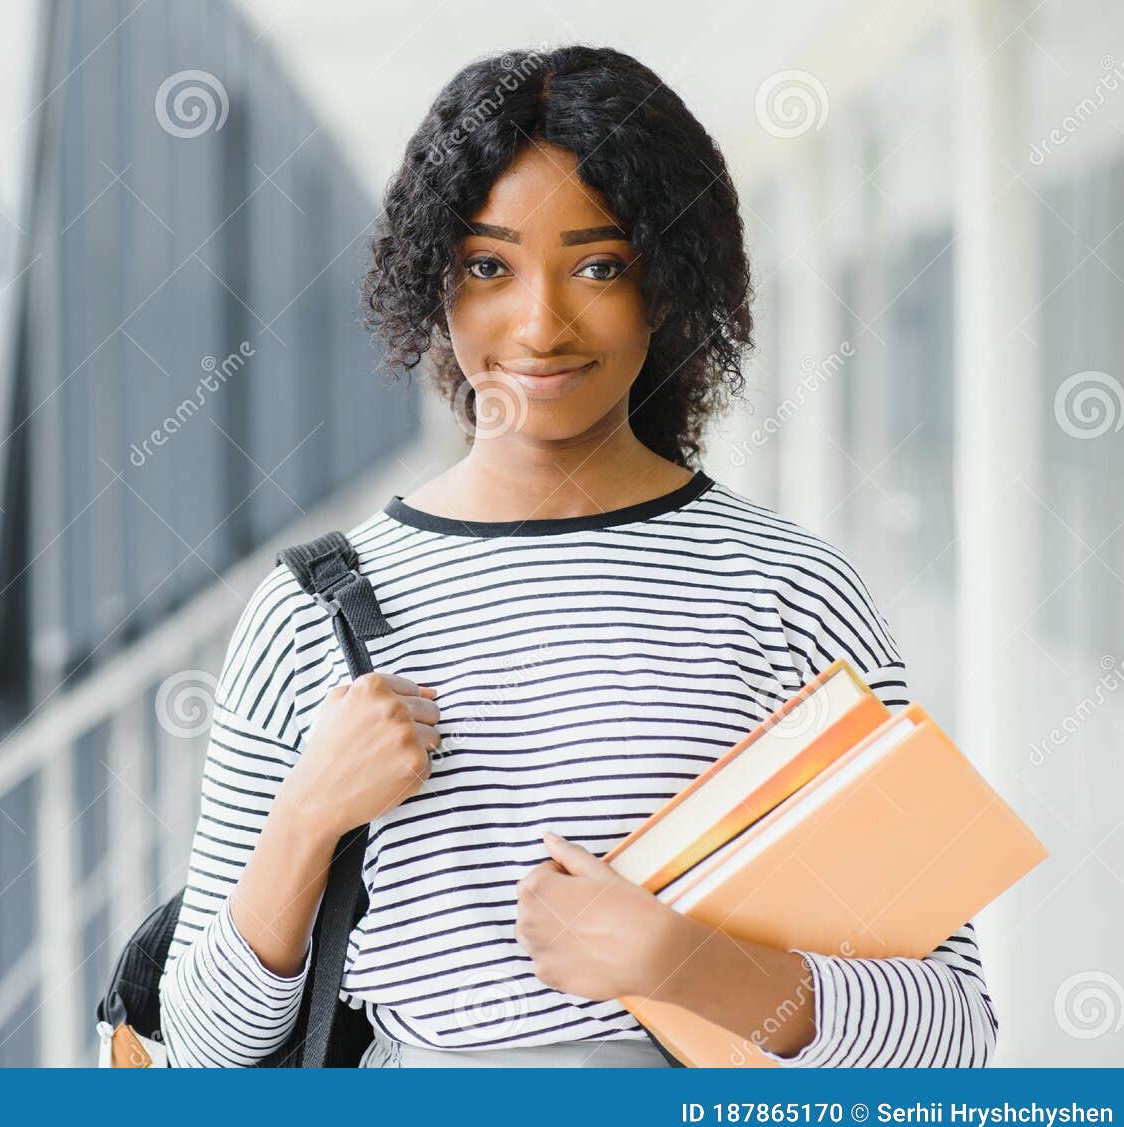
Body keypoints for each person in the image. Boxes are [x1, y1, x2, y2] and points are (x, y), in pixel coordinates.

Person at [157, 44, 997, 1068]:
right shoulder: (309, 615)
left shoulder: (787, 592)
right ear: (435, 284)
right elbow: (200, 1050)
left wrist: (682, 963)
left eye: (599, 265)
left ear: (669, 282)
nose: (540, 323)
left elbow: (953, 1032)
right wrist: (304, 821)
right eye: (486, 267)